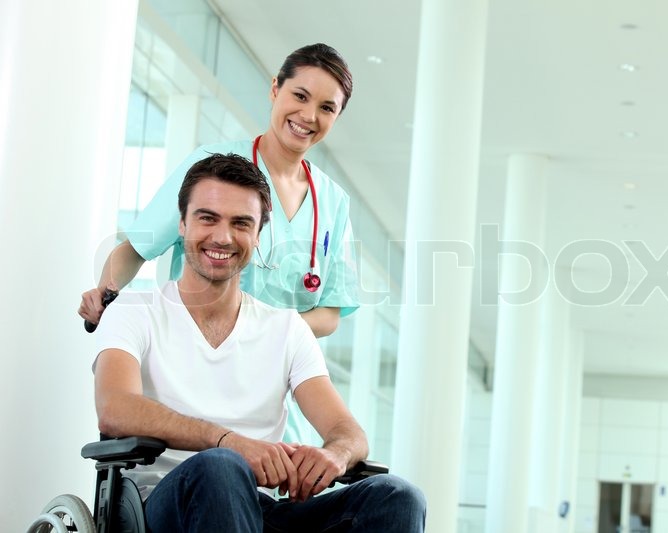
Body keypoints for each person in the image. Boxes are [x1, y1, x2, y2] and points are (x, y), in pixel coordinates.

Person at [92, 153, 426, 532]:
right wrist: (227, 441)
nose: (223, 237)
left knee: (398, 496)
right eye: (207, 218)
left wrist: (336, 454)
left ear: (257, 235)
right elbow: (114, 408)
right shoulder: (135, 311)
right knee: (220, 467)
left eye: (241, 223)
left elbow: (347, 431)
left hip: (258, 510)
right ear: (182, 224)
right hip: (161, 508)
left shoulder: (286, 329)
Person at [79, 43, 359, 337]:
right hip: (192, 345)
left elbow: (330, 313)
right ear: (275, 89)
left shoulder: (334, 202)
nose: (309, 115)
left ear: (337, 116)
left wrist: (265, 330)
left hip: (277, 361)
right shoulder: (210, 166)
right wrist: (104, 293)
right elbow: (136, 248)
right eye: (300, 96)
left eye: (327, 108)